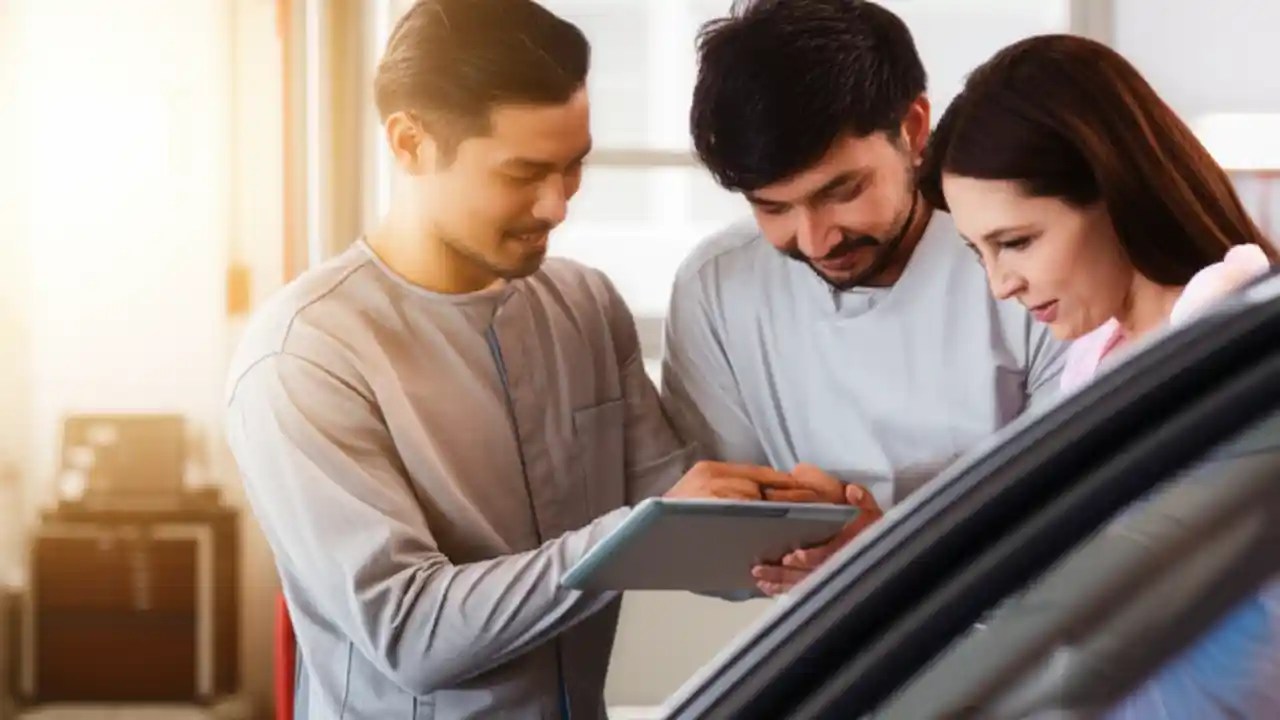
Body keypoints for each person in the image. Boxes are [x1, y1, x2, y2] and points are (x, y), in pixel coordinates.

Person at [223, 1, 842, 717]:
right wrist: (632, 534)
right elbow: (411, 634)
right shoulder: (304, 357)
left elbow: (678, 526)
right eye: (523, 173)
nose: (557, 205)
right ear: (409, 142)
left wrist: (794, 530)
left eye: (573, 167)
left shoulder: (584, 305)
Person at [919, 32, 1278, 720]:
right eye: (978, 253)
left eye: (1017, 242)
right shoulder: (1094, 355)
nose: (1000, 285)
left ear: (1115, 190)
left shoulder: (1225, 335)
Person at [664, 0, 1067, 597]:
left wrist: (893, 551)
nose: (815, 239)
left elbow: (1078, 516)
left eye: (843, 190)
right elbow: (720, 544)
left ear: (913, 129)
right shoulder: (719, 286)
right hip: (832, 657)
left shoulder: (1022, 259)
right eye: (772, 207)